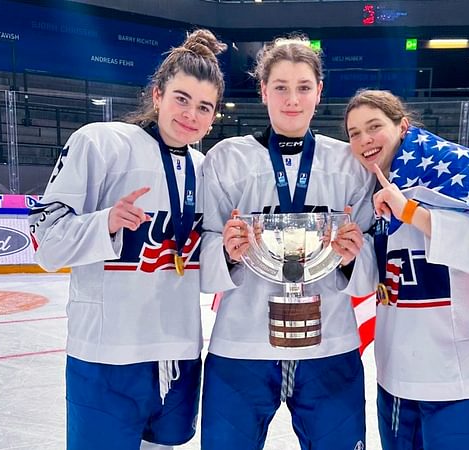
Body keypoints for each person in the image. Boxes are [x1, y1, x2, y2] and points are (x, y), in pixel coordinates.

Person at [28, 29, 227, 450]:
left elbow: (199, 268)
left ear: (214, 118)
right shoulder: (100, 143)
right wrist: (106, 223)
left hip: (178, 352)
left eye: (204, 107)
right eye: (181, 98)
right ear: (157, 94)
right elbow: (47, 244)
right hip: (106, 355)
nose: (191, 114)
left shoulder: (205, 167)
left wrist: (229, 249)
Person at [200, 36, 377, 450]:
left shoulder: (350, 163)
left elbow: (369, 250)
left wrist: (354, 257)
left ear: (319, 91)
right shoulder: (227, 158)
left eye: (303, 87)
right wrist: (226, 250)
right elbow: (204, 244)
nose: (291, 99)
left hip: (330, 344)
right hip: (242, 343)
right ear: (263, 91)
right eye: (280, 87)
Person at [344, 89, 469, 450]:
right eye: (353, 133)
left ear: (403, 125)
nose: (364, 139)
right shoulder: (365, 190)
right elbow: (378, 282)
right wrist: (350, 253)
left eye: (374, 126)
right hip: (397, 379)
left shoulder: (459, 167)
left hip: (465, 382)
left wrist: (412, 212)